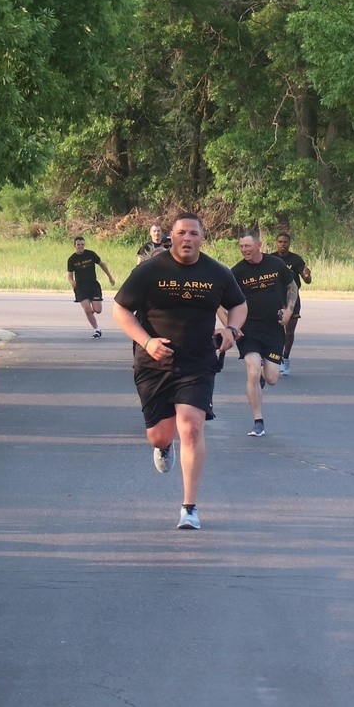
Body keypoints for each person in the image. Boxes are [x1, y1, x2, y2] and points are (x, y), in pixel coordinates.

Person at [112, 213, 245, 531]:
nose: (187, 238)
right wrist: (146, 341)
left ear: (202, 237)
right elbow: (120, 309)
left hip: (197, 362)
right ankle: (162, 446)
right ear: (171, 236)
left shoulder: (216, 272)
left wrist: (232, 330)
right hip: (153, 362)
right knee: (160, 434)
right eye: (181, 232)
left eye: (194, 233)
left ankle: (189, 507)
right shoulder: (151, 270)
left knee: (191, 427)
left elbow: (239, 305)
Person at [232, 232, 297, 437]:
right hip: (249, 330)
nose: (244, 250)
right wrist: (232, 327)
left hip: (273, 329)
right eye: (241, 247)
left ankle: (262, 376)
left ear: (259, 245)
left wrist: (288, 310)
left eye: (248, 246)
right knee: (252, 369)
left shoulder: (275, 264)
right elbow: (221, 303)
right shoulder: (237, 272)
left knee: (271, 379)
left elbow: (292, 286)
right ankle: (258, 422)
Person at [274, 232, 313, 374]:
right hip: (275, 298)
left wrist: (307, 275)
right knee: (274, 329)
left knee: (289, 332)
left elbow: (307, 280)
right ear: (276, 243)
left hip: (292, 298)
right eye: (280, 242)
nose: (282, 244)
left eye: (285, 242)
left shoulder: (295, 259)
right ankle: (274, 358)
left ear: (289, 244)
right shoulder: (271, 258)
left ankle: (285, 358)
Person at [66, 236, 114, 337]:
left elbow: (102, 264)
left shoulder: (91, 254)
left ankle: (91, 313)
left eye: (82, 245)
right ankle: (97, 330)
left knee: (98, 310)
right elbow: (69, 276)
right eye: (78, 245)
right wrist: (72, 282)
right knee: (87, 309)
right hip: (81, 287)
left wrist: (110, 277)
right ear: (74, 246)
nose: (80, 247)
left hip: (93, 285)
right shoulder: (71, 259)